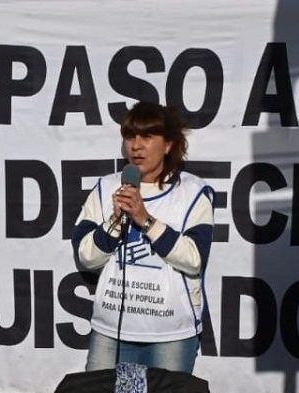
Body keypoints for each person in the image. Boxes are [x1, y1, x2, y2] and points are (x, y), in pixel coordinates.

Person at [73, 101, 214, 374]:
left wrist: (145, 220)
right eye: (130, 136)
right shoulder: (106, 188)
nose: (136, 146)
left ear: (169, 144)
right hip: (112, 331)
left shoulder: (193, 192)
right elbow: (86, 258)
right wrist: (114, 222)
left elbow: (194, 260)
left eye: (147, 136)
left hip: (170, 334)